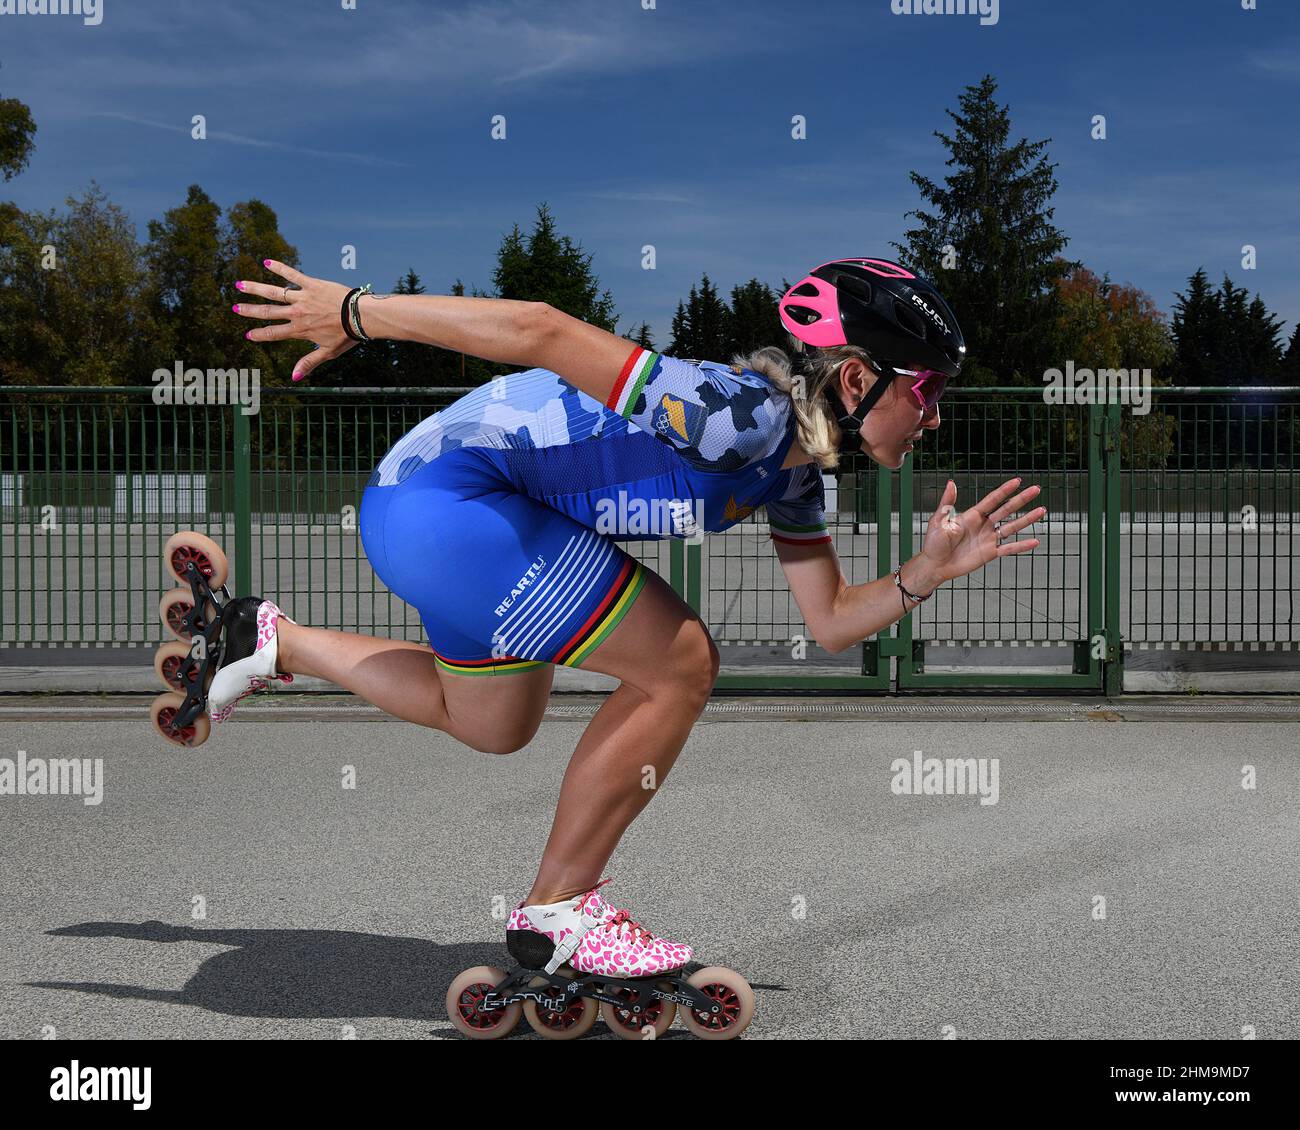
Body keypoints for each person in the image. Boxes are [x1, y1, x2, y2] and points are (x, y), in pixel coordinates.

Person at [221, 255, 1044, 986]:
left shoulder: (792, 476)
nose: (935, 415)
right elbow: (539, 330)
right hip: (449, 504)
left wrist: (923, 573)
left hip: (446, 514)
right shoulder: (738, 415)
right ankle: (560, 911)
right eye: (929, 390)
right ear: (860, 381)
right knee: (679, 663)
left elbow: (827, 622)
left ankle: (271, 640)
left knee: (492, 723)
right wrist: (357, 311)